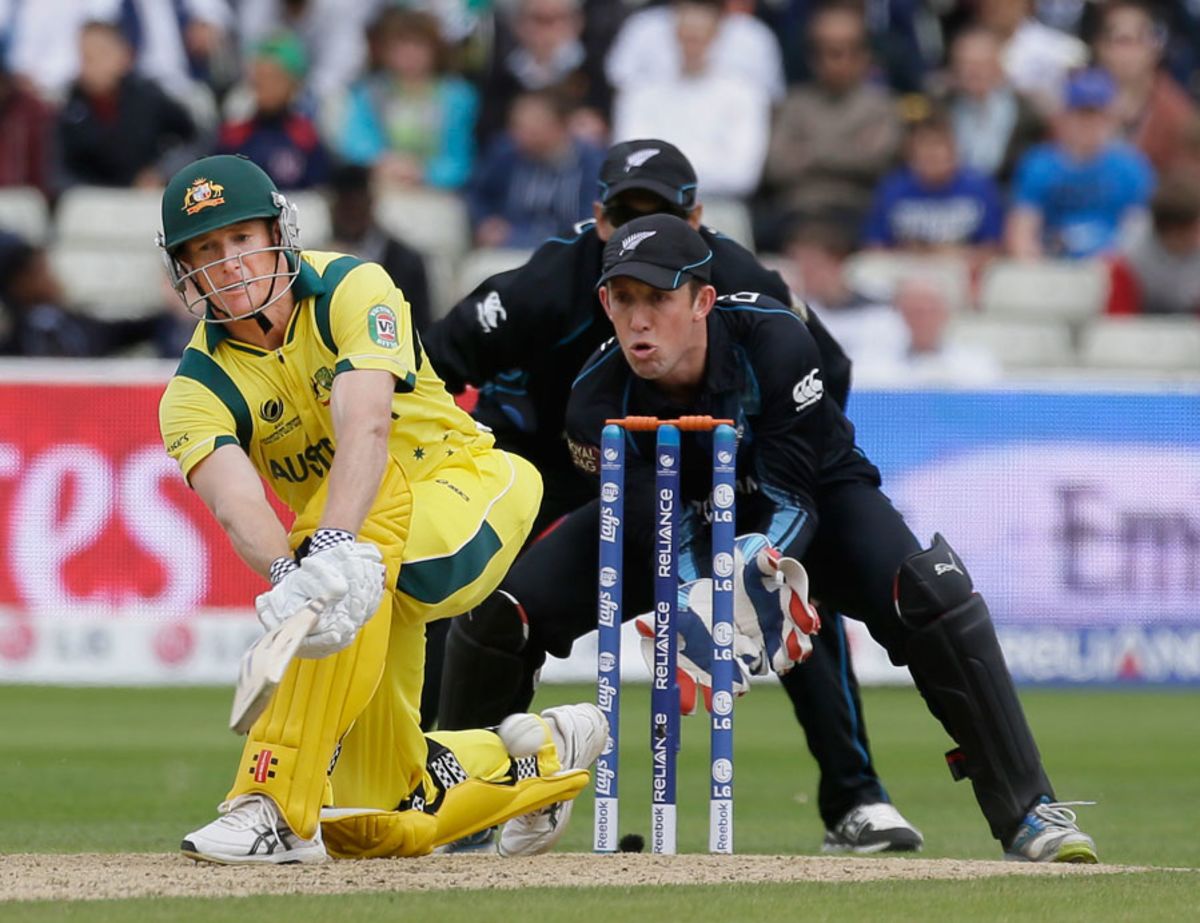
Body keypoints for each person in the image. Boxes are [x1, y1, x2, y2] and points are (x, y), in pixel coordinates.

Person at [425, 139, 924, 854]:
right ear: (597, 219)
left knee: (781, 591)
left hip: (686, 455)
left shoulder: (738, 275)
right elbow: (426, 360)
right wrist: (443, 459)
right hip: (537, 460)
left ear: (698, 220)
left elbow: (825, 369)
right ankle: (453, 792)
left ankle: (855, 797)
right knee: (467, 591)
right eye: (625, 215)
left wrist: (777, 466)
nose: (639, 234)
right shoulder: (545, 283)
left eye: (660, 215)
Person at [560, 212, 1098, 862]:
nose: (639, 319)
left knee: (933, 592)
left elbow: (793, 493)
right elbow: (657, 519)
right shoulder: (595, 399)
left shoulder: (776, 340)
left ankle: (1029, 811)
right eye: (625, 300)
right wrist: (698, 593)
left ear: (702, 300)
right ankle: (467, 806)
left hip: (820, 493)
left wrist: (750, 568)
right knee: (514, 604)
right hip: (696, 517)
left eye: (658, 297)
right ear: (605, 303)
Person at [155, 153, 606, 864]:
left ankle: (270, 800)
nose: (231, 264)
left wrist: (326, 547)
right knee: (382, 814)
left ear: (280, 231)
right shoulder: (193, 388)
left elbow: (366, 425)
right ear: (185, 273)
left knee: (345, 523)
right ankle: (541, 756)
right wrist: (289, 575)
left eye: (242, 239)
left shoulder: (350, 286)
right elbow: (235, 498)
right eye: (206, 251)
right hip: (362, 573)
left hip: (469, 494)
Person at [610, 0, 771, 200]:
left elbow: (743, 177)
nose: (692, 46)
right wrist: (709, 163)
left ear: (716, 36)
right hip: (653, 204)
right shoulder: (642, 94)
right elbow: (631, 163)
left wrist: (667, 168)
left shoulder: (743, 95)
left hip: (721, 207)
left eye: (699, 38)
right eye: (686, 37)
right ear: (674, 35)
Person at [1006, 67, 1154, 260]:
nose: (1089, 124)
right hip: (1050, 265)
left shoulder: (1131, 167)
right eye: (1081, 115)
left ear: (1112, 118)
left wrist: (1113, 265)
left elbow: (1140, 231)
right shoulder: (1039, 164)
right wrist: (1034, 264)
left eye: (1098, 115)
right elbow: (1022, 228)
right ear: (1064, 116)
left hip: (1110, 266)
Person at [57, 20, 198, 189]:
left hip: (145, 199)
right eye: (85, 57)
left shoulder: (148, 97)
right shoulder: (68, 107)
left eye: (100, 54)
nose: (90, 66)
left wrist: (163, 172)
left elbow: (195, 139)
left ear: (123, 56)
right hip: (92, 203)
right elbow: (59, 170)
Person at [862, 110, 1005, 266]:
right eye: (925, 149)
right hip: (905, 267)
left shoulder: (979, 187)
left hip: (960, 267)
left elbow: (992, 247)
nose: (932, 155)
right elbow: (875, 245)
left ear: (954, 152)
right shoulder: (892, 187)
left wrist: (944, 254)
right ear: (911, 155)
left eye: (938, 148)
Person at [467, 90, 605, 249]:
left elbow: (590, 221)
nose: (521, 135)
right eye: (517, 126)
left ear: (561, 126)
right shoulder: (505, 153)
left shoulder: (590, 162)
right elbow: (478, 194)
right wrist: (486, 221)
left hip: (566, 251)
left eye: (533, 129)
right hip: (507, 247)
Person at [215, 32, 331, 191]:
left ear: (293, 85)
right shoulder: (233, 137)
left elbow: (319, 192)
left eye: (274, 78)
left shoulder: (306, 140)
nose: (264, 85)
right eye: (259, 77)